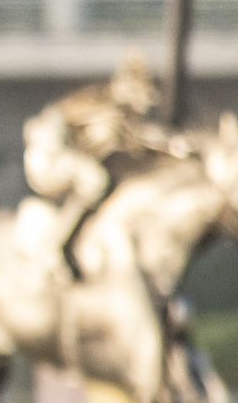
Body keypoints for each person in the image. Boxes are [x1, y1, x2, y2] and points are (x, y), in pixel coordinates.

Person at [20, 52, 188, 278]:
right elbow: (133, 137)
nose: (145, 103)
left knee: (105, 184)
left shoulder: (113, 109)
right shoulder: (105, 106)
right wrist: (171, 146)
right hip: (48, 156)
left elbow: (133, 141)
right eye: (141, 92)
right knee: (95, 180)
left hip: (57, 157)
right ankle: (58, 245)